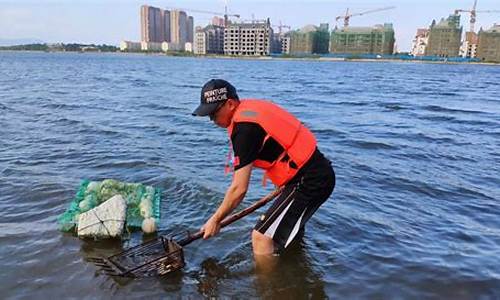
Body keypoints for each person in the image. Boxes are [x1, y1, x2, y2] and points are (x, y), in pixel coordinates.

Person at [192, 79, 335, 264]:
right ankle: (296, 273)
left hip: (310, 179)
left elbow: (238, 189)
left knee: (261, 237)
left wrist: (216, 219)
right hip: (316, 172)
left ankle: (268, 289)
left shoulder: (244, 129)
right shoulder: (250, 112)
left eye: (213, 114)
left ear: (229, 103)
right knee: (288, 232)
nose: (212, 121)